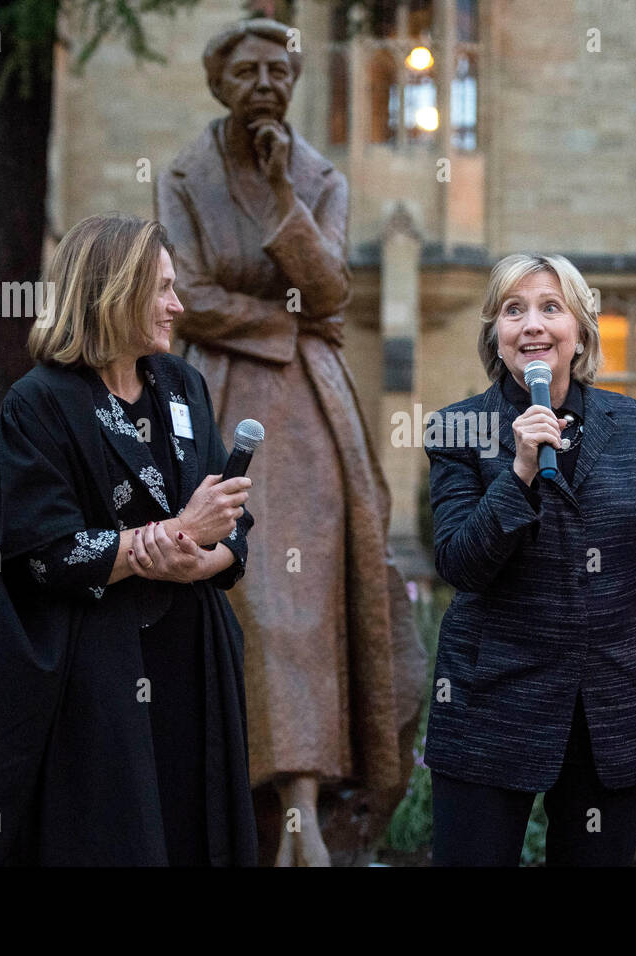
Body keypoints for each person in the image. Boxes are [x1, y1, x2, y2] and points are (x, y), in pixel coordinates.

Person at [157, 17, 424, 867]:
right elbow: (186, 295)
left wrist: (282, 203)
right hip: (215, 397)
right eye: (248, 71)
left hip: (311, 412)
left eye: (280, 69)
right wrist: (283, 325)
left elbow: (333, 287)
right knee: (244, 598)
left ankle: (306, 815)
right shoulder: (184, 176)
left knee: (308, 606)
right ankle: (251, 815)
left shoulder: (320, 177)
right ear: (219, 83)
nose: (266, 83)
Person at [0, 214, 258, 866]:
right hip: (97, 681)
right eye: (163, 288)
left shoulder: (182, 386)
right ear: (113, 292)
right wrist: (171, 535)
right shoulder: (40, 404)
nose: (178, 305)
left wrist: (197, 561)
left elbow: (236, 525)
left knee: (191, 832)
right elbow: (43, 555)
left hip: (190, 665)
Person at [423, 253, 636, 866]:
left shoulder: (626, 422)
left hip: (610, 705)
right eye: (513, 310)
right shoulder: (457, 429)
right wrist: (517, 474)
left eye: (551, 307)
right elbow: (461, 563)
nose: (533, 325)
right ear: (496, 333)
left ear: (581, 331)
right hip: (493, 700)